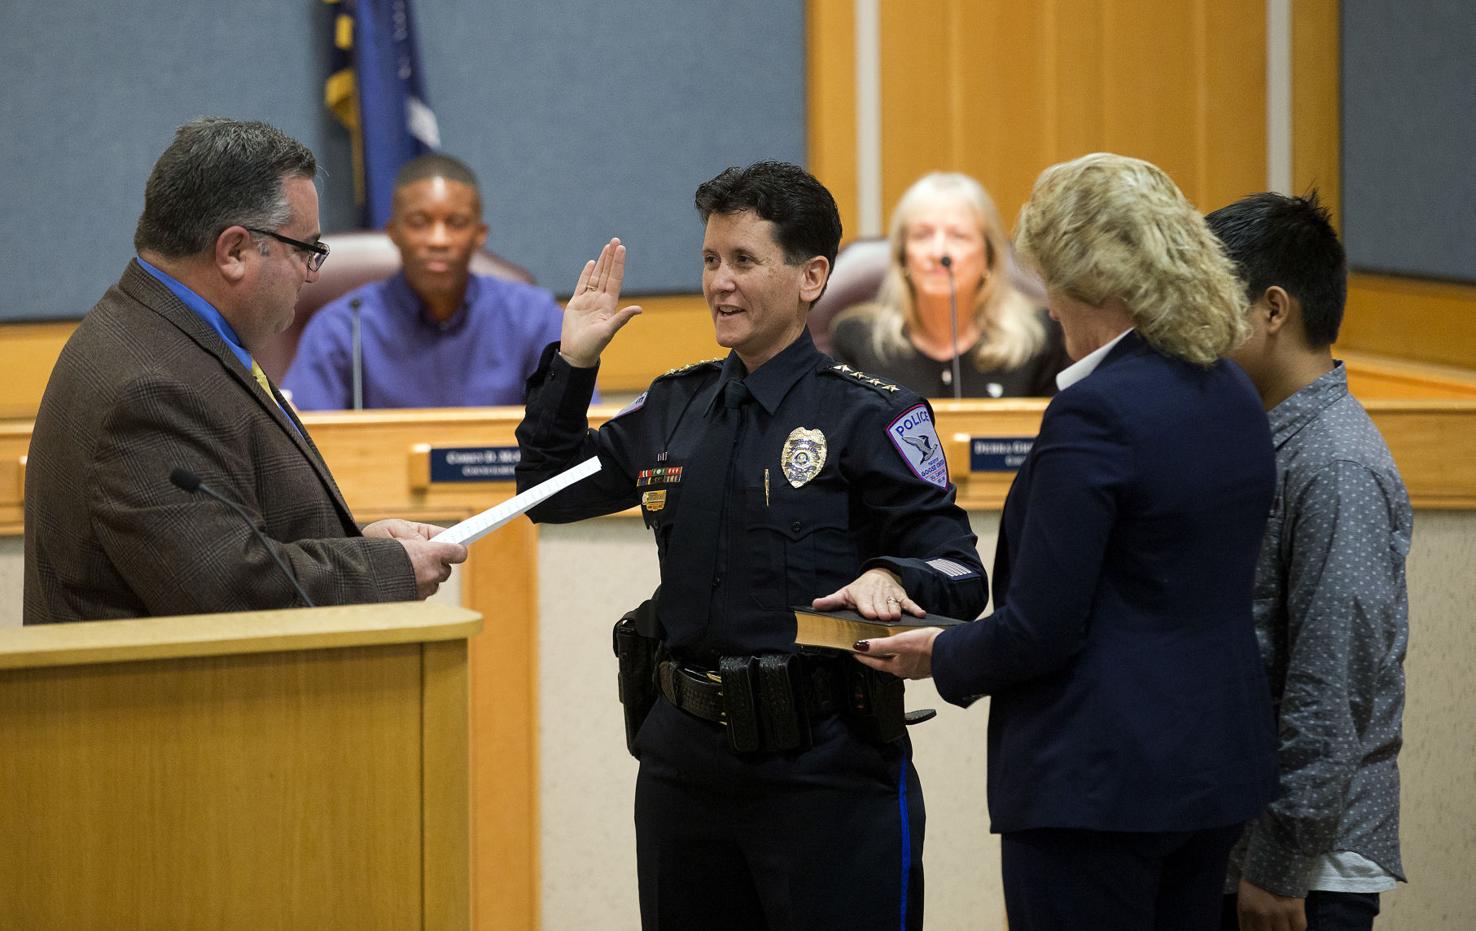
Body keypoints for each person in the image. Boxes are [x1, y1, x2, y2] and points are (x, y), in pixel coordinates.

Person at [514, 161, 986, 929]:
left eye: (743, 260)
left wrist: (891, 574)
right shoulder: (675, 404)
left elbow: (960, 570)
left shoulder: (872, 416)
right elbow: (546, 491)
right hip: (683, 770)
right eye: (710, 259)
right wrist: (573, 365)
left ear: (811, 277)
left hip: (825, 769)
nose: (719, 283)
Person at [854, 153, 1281, 930]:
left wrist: (938, 653)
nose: (1048, 306)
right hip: (1214, 771)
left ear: (1096, 280)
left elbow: (1042, 628)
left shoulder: (1097, 412)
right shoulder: (1230, 390)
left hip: (1099, 786)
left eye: (1051, 278)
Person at [24, 118, 466, 625]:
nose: (311, 274)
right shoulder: (149, 388)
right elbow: (233, 591)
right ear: (234, 251)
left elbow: (228, 532)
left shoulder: (168, 332)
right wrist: (387, 570)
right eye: (306, 250)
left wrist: (359, 547)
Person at [1207, 192, 1410, 931]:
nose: (1192, 332)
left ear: (1272, 310)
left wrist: (1280, 861)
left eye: (1210, 306)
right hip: (1244, 847)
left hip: (1299, 874)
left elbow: (1333, 677)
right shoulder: (1265, 439)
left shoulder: (1335, 462)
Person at [282, 153, 576, 409]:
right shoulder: (344, 327)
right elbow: (308, 437)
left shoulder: (534, 318)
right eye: (419, 223)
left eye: (456, 223)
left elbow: (572, 430)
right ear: (393, 232)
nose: (438, 240)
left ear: (480, 235)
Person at [829, 171, 1069, 397]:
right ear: (902, 256)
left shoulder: (1039, 340)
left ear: (989, 257)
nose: (939, 252)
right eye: (922, 235)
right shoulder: (858, 341)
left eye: (959, 236)